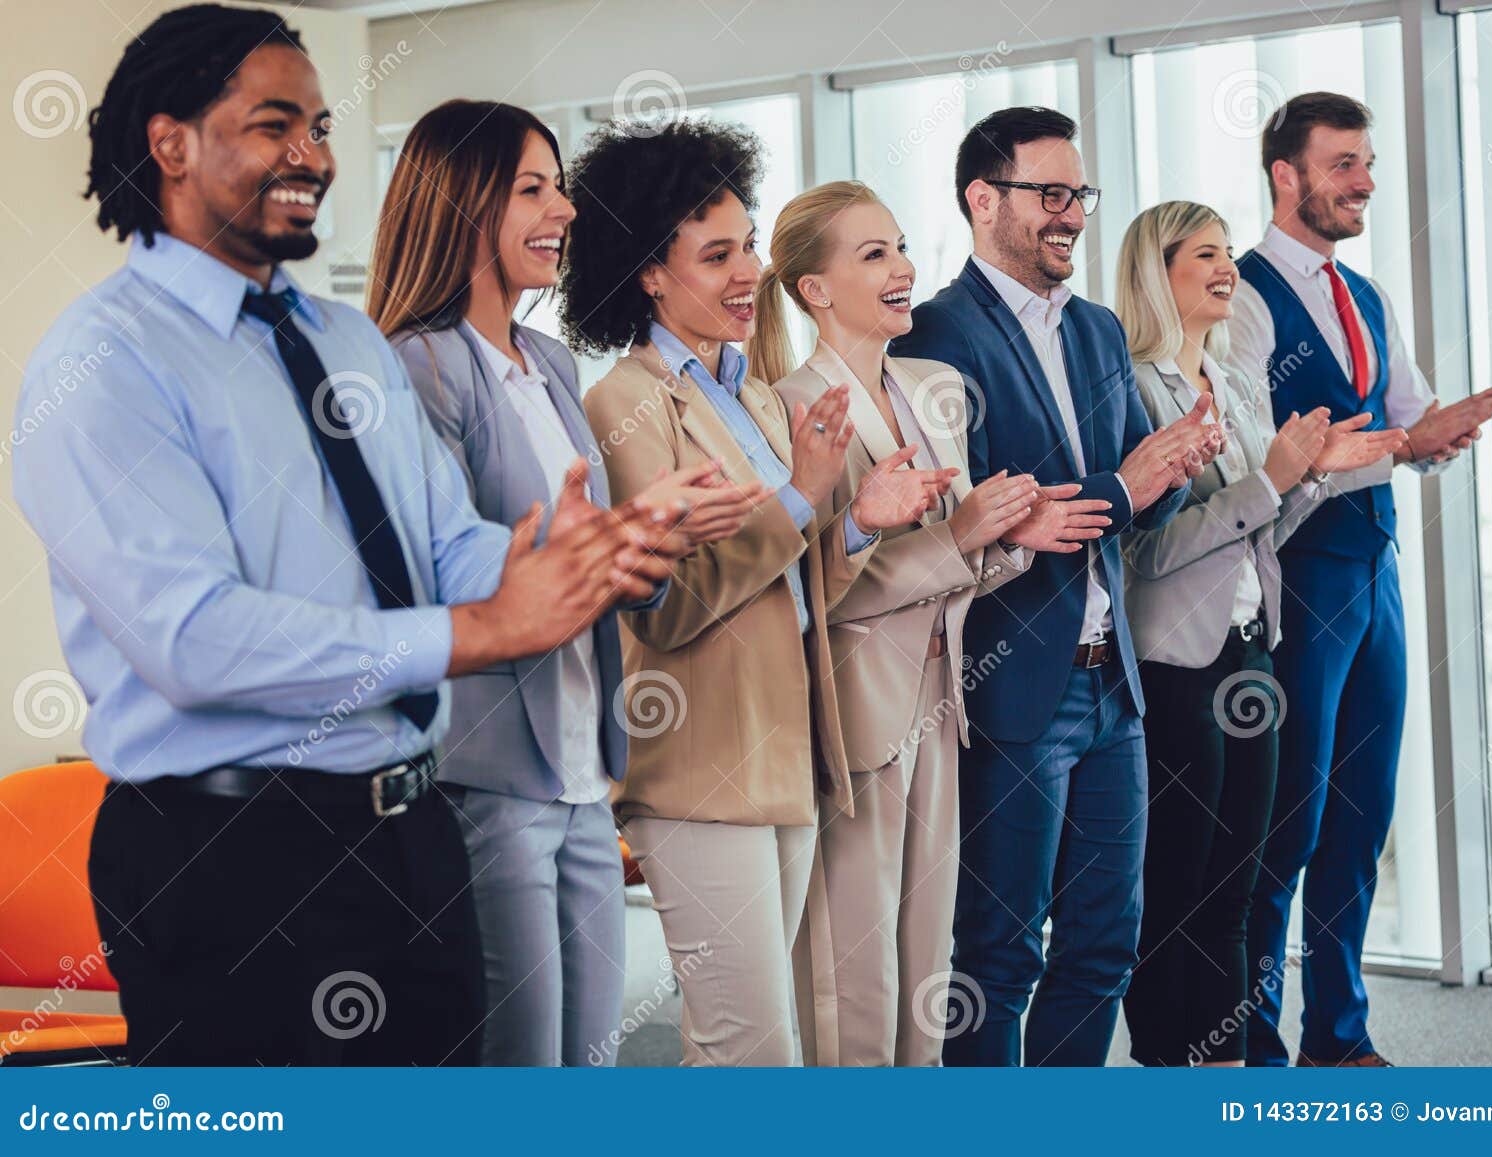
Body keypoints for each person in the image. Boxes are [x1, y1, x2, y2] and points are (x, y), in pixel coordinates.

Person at [11, 4, 678, 1066]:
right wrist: (466, 633)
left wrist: (555, 561)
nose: (311, 156)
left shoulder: (344, 339)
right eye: (276, 124)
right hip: (227, 852)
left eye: (320, 127)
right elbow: (193, 638)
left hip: (407, 836)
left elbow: (437, 543)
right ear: (170, 141)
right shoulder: (102, 362)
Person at [367, 100, 757, 1066]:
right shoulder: (416, 368)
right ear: (461, 205)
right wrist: (576, 550)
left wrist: (649, 540)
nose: (564, 210)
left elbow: (605, 570)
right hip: (486, 772)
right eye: (531, 189)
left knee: (589, 1062)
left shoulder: (546, 361)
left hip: (585, 769)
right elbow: (429, 575)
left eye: (560, 187)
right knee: (522, 1064)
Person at [562, 120, 950, 1066]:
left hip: (788, 753)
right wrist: (806, 497)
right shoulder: (623, 403)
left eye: (747, 246)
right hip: (696, 766)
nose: (749, 272)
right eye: (718, 253)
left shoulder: (761, 395)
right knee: (753, 1049)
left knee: (738, 1048)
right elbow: (668, 603)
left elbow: (797, 577)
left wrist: (857, 515)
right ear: (651, 273)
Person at [750, 181, 1113, 1066]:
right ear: (814, 289)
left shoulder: (932, 386)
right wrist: (957, 534)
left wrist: (1007, 536)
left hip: (944, 707)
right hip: (852, 718)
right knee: (856, 980)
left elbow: (960, 560)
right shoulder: (786, 407)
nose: (905, 268)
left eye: (902, 246)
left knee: (929, 968)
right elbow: (816, 589)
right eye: (873, 254)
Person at [889, 106, 1222, 1066]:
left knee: (1104, 945)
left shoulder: (1099, 331)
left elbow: (1126, 511)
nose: (1071, 214)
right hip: (1011, 686)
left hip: (1113, 682)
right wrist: (1130, 481)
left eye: (1080, 194)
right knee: (997, 956)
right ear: (981, 200)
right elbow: (990, 507)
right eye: (1050, 193)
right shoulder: (934, 335)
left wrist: (1175, 467)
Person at [1229, 92, 1492, 1067]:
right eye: (1343, 163)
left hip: (1370, 569)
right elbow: (1260, 453)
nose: (1364, 183)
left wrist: (1439, 434)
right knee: (1285, 821)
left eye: (1366, 162)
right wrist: (1401, 440)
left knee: (1359, 813)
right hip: (1295, 577)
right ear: (1285, 175)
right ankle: (1251, 1037)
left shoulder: (1366, 295)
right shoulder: (1245, 292)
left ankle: (1337, 1033)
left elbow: (1402, 413)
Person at [1113, 200, 1406, 1067]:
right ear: (1156, 273)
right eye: (1202, 254)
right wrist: (1271, 480)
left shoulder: (1237, 384)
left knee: (1239, 888)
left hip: (1251, 652)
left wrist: (1308, 479)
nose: (1224, 265)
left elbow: (1258, 526)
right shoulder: (1132, 386)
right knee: (1176, 894)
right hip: (1178, 667)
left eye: (1223, 252)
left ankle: (1230, 1073)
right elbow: (1147, 550)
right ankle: (1172, 1070)